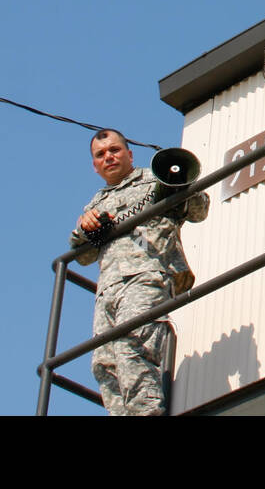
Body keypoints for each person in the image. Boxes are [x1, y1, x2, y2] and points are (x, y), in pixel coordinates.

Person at [70, 128, 209, 415]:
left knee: (131, 347)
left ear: (129, 154)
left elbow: (199, 209)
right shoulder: (95, 204)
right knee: (104, 364)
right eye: (101, 154)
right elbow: (81, 256)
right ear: (95, 166)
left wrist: (177, 183)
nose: (108, 156)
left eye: (115, 150)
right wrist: (85, 227)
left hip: (146, 276)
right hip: (108, 291)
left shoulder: (153, 178)